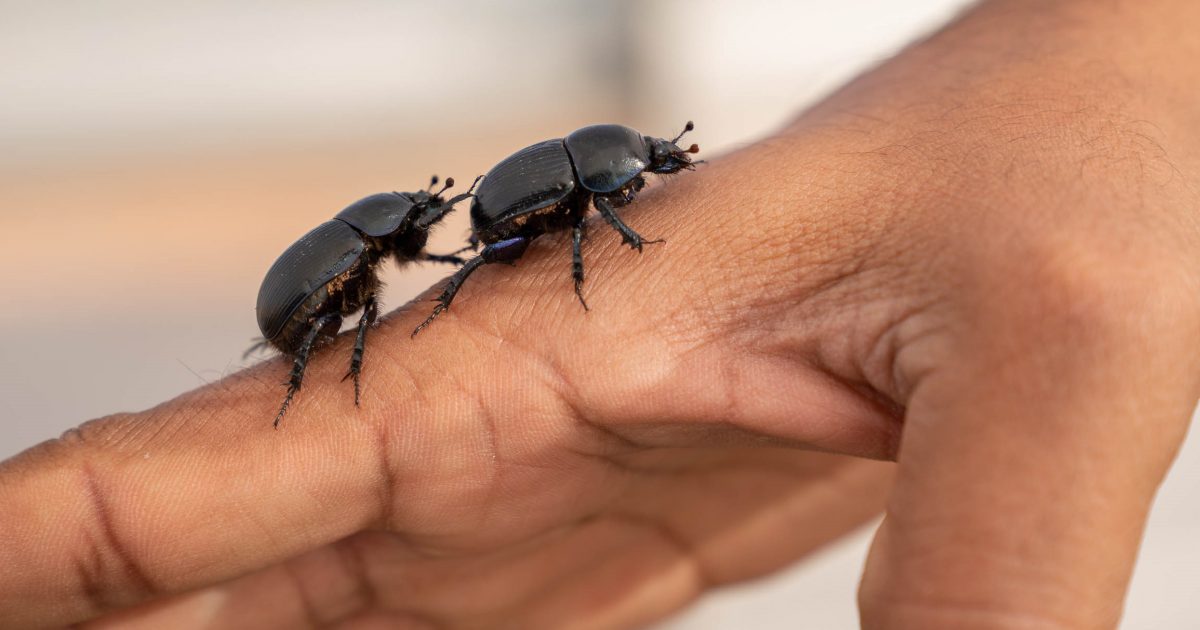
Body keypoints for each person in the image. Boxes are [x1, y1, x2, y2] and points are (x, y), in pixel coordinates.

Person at [2, 0, 1198, 627]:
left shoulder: (599, 172)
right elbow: (497, 233)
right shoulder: (414, 236)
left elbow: (583, 197)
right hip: (342, 302)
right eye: (642, 175)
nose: (651, 178)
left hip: (537, 246)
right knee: (459, 281)